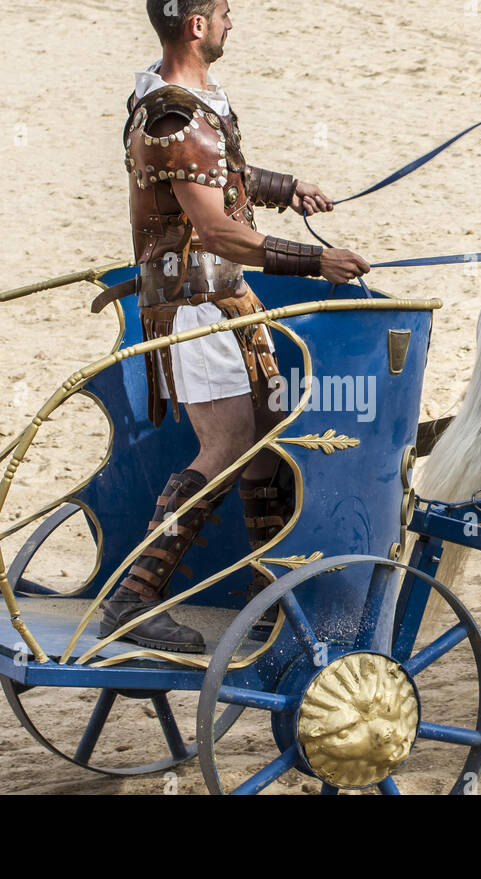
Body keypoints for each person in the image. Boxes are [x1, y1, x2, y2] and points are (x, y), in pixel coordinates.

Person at [94, 0, 370, 653]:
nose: (230, 20)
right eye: (221, 11)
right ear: (195, 25)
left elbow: (225, 183)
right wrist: (315, 260)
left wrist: (288, 186)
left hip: (228, 301)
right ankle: (135, 597)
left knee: (268, 440)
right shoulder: (174, 116)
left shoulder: (192, 103)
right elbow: (216, 228)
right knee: (226, 446)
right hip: (199, 305)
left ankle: (266, 591)